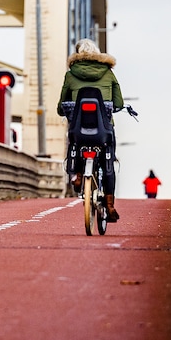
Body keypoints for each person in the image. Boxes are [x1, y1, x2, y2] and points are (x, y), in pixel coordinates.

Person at [57, 38, 125, 221]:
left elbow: (61, 105)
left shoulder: (70, 75)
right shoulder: (108, 73)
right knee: (108, 161)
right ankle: (110, 206)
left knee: (75, 144)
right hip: (103, 130)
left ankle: (78, 175)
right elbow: (119, 103)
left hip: (79, 131)